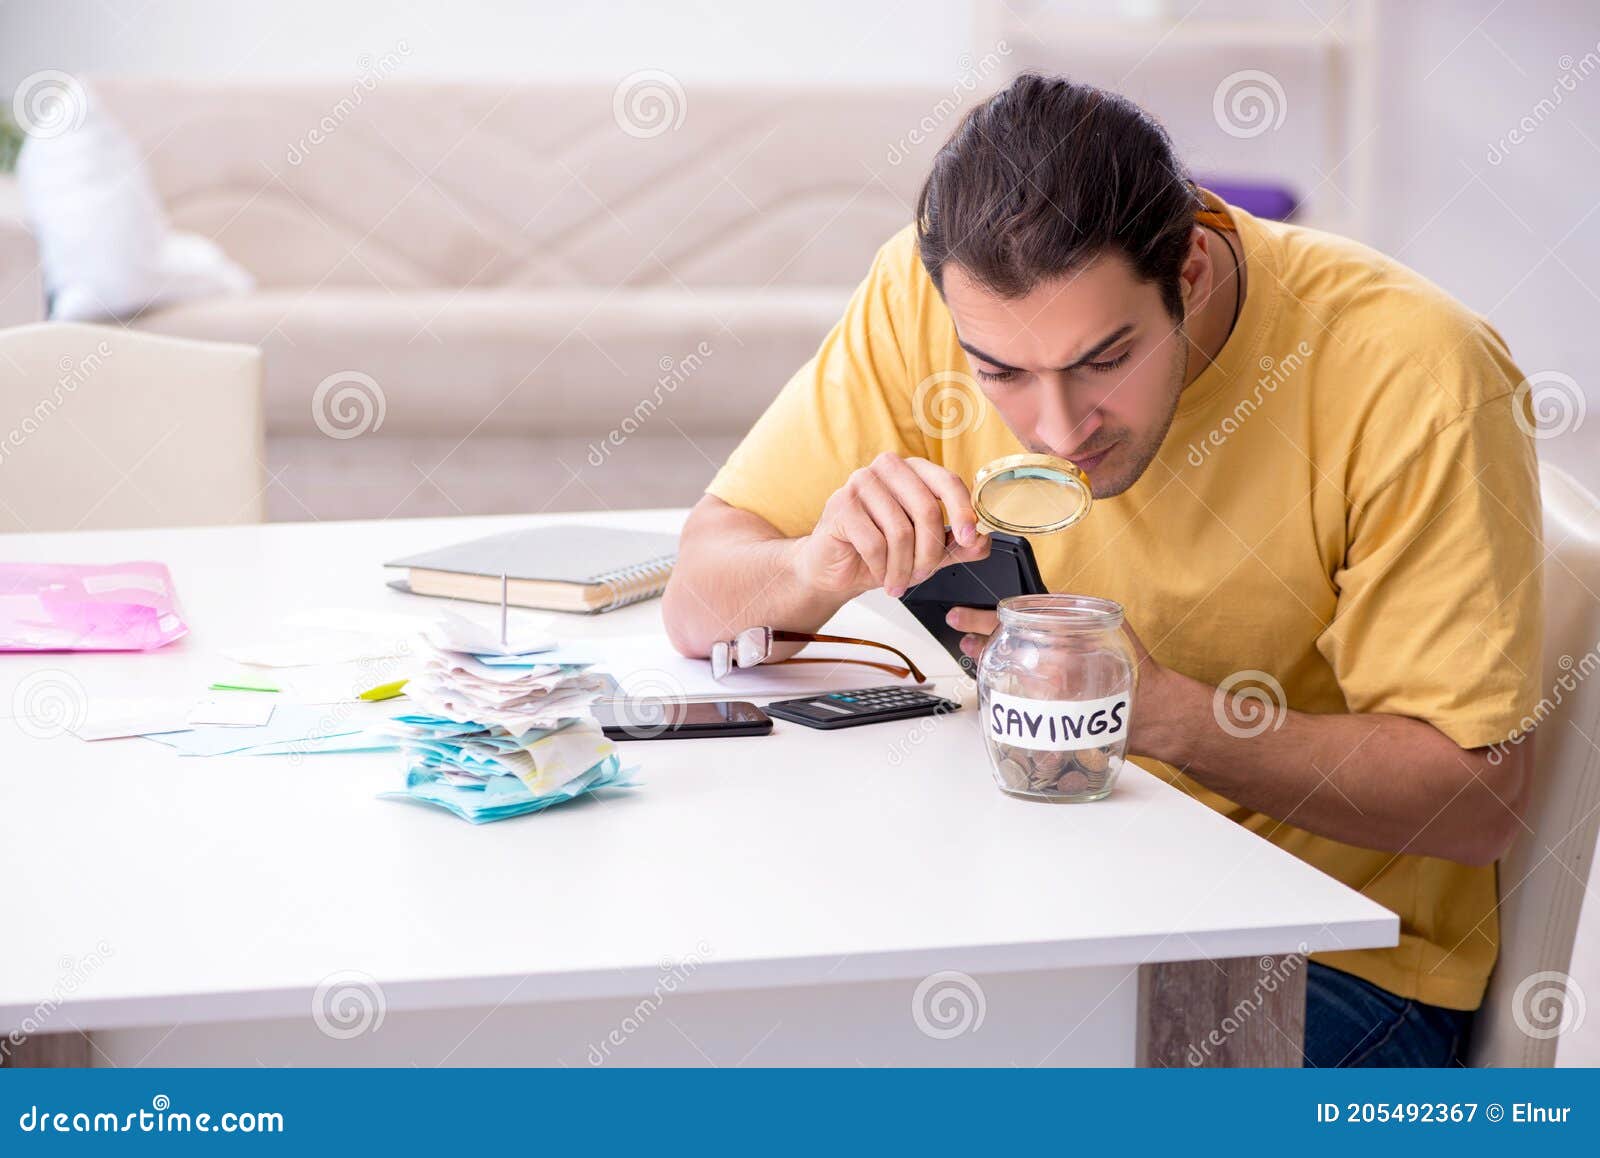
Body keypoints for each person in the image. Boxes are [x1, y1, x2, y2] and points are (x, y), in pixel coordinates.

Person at [661, 73, 1542, 1067]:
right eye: (1000, 373)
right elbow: (699, 596)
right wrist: (816, 566)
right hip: (1022, 902)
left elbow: (1475, 803)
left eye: (1104, 359)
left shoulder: (1416, 374)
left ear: (1191, 269)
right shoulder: (925, 292)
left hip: (1316, 958)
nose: (1056, 428)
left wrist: (1164, 715)